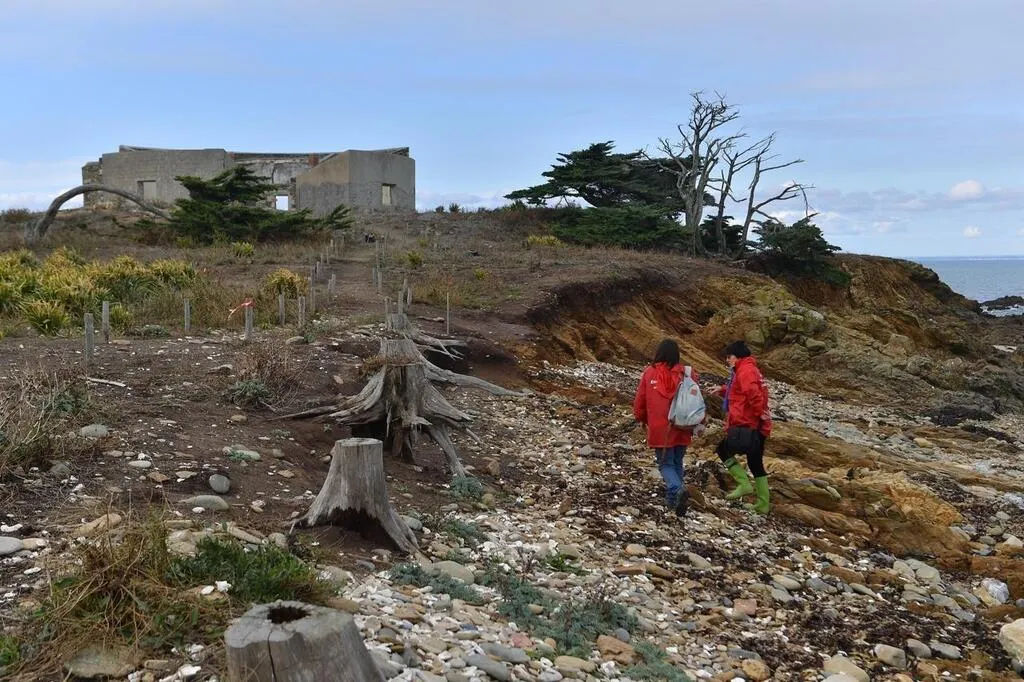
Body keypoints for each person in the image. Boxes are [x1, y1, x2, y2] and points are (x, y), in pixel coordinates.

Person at [633, 339, 703, 516]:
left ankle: (676, 489)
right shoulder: (688, 374)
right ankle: (674, 502)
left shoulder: (650, 373)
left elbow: (640, 401)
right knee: (677, 462)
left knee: (665, 464)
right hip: (683, 424)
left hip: (661, 427)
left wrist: (640, 417)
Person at [708, 340, 773, 514]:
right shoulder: (748, 369)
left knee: (723, 449)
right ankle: (762, 504)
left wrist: (759, 415)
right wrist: (722, 390)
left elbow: (753, 394)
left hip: (748, 424)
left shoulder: (745, 371)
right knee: (755, 462)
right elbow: (740, 390)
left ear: (737, 356)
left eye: (729, 357)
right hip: (758, 425)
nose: (727, 360)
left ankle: (744, 484)